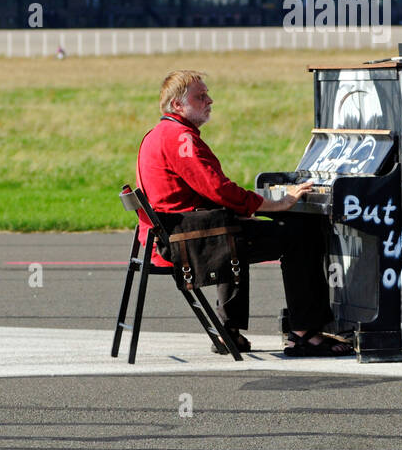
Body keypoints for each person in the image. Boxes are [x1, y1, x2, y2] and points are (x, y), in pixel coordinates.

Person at [135, 69, 352, 356]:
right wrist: (275, 203)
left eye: (207, 94)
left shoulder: (158, 134)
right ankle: (304, 333)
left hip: (172, 235)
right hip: (188, 241)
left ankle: (228, 330)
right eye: (200, 97)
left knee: (236, 226)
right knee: (301, 232)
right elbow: (219, 190)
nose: (209, 100)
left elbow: (208, 194)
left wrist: (245, 209)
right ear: (177, 105)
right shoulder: (181, 139)